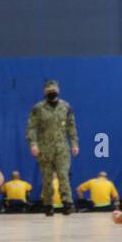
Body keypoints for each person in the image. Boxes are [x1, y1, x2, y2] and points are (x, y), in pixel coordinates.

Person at [26, 78, 78, 216]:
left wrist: (74, 143)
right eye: (49, 91)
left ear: (58, 91)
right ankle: (48, 205)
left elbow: (71, 127)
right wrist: (33, 144)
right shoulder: (38, 108)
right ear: (44, 92)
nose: (51, 93)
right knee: (47, 178)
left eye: (53, 91)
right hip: (45, 149)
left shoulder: (66, 107)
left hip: (62, 148)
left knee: (63, 176)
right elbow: (31, 128)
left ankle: (67, 203)